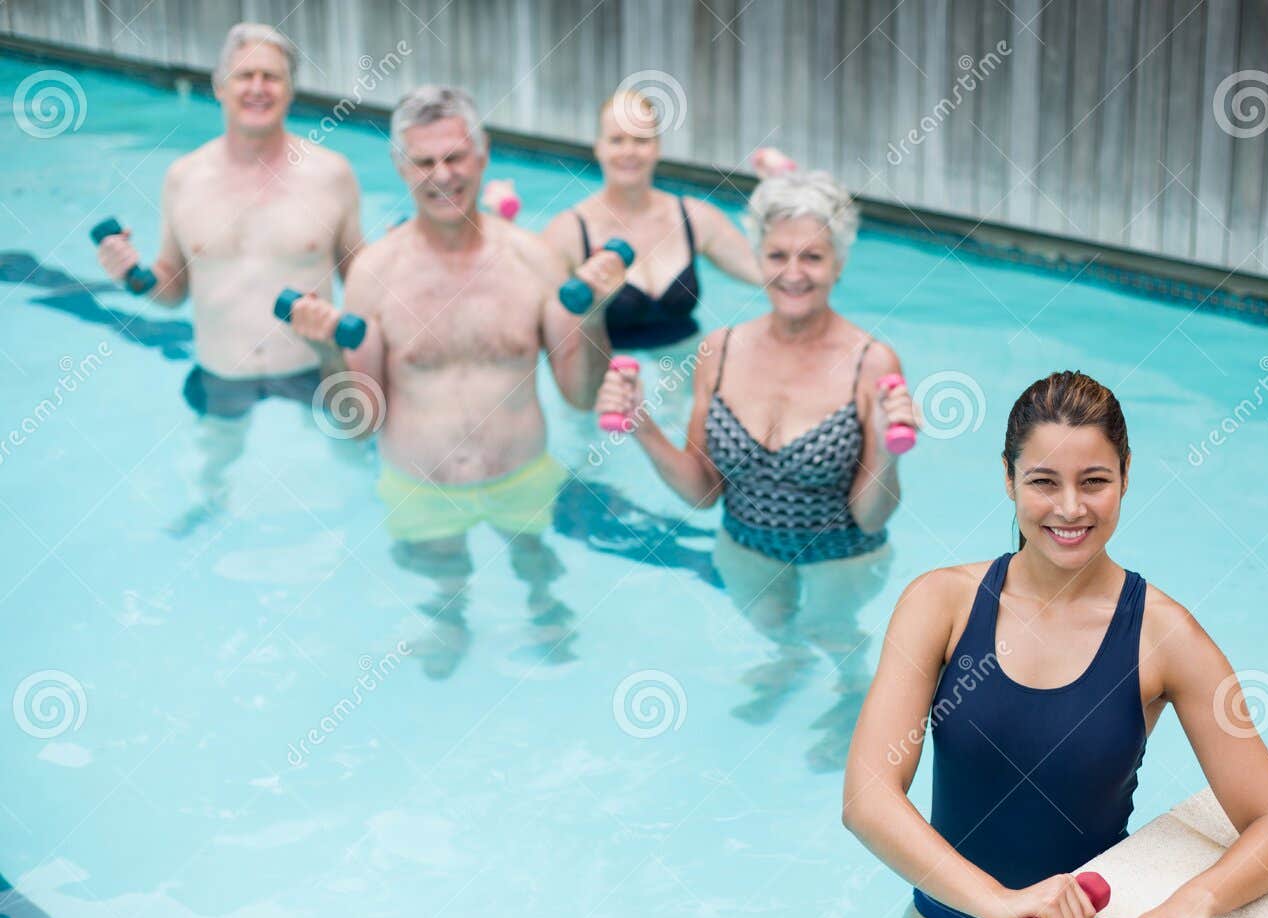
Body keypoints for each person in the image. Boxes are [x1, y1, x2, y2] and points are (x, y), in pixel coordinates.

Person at [841, 372, 1268, 918]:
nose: (1069, 508)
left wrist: (1197, 899)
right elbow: (866, 797)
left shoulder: (1163, 636)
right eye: (1043, 482)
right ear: (1007, 479)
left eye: (1094, 482)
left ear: (1125, 477)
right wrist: (1001, 905)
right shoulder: (940, 605)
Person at [288, 85, 624, 679]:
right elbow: (358, 424)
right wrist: (325, 353)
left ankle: (544, 606)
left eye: (455, 157)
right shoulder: (373, 274)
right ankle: (449, 621)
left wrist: (595, 313)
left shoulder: (534, 260)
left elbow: (579, 393)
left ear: (484, 153)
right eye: (424, 161)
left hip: (524, 478)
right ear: (399, 166)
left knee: (540, 576)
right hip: (421, 490)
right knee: (441, 600)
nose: (442, 174)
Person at [597, 171, 916, 767]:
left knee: (833, 636)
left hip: (840, 558)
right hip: (743, 549)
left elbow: (870, 515)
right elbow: (702, 492)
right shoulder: (718, 352)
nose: (793, 271)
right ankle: (787, 666)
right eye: (778, 254)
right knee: (777, 632)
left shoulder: (871, 362)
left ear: (839, 264)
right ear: (757, 258)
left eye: (813, 256)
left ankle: (851, 697)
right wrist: (643, 428)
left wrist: (889, 449)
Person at [94, 23, 364, 536]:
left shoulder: (331, 174)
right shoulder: (184, 178)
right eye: (244, 76)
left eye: (272, 76)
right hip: (222, 378)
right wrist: (134, 276)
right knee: (203, 497)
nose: (257, 88)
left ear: (290, 89)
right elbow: (172, 288)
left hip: (313, 373)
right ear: (219, 87)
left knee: (352, 486)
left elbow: (365, 278)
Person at [540, 89, 792, 353]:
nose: (629, 151)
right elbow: (531, 311)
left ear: (657, 147)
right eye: (617, 140)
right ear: (599, 147)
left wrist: (779, 196)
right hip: (612, 377)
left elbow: (771, 273)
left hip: (685, 368)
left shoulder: (695, 217)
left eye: (640, 140)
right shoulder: (568, 230)